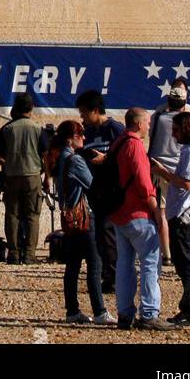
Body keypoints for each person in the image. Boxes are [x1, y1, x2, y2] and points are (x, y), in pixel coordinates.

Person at [46, 119, 114, 324]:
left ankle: (72, 310)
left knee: (73, 266)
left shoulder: (58, 160)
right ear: (70, 139)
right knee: (94, 264)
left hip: (70, 220)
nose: (84, 138)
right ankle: (100, 311)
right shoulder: (74, 160)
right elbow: (92, 184)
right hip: (85, 218)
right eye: (80, 135)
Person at [108, 107, 168, 331]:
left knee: (124, 263)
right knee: (150, 263)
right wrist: (155, 209)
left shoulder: (119, 143)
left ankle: (124, 313)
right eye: (148, 123)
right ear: (139, 123)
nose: (150, 126)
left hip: (119, 213)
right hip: (138, 213)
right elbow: (144, 184)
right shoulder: (135, 146)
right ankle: (150, 313)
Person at [150, 110, 190, 326]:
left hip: (184, 215)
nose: (173, 135)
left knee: (188, 266)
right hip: (182, 213)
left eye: (176, 130)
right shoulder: (189, 150)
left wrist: (162, 172)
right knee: (189, 266)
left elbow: (187, 182)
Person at [0, 92, 47, 265]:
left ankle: (13, 254)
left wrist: (6, 163)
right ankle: (29, 254)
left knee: (12, 215)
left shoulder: (7, 129)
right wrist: (48, 176)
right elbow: (47, 155)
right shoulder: (37, 129)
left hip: (12, 176)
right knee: (32, 216)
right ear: (31, 108)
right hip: (33, 176)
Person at [76, 88, 124, 290]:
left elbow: (126, 155)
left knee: (108, 232)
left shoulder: (114, 128)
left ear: (95, 110)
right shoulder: (87, 132)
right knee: (99, 235)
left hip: (112, 190)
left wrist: (105, 160)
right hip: (95, 190)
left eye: (84, 112)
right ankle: (106, 274)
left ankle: (115, 277)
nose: (82, 116)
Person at [147, 81, 190, 264]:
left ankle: (167, 254)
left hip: (159, 167)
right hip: (181, 168)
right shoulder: (188, 120)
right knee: (182, 210)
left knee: (161, 212)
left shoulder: (158, 117)